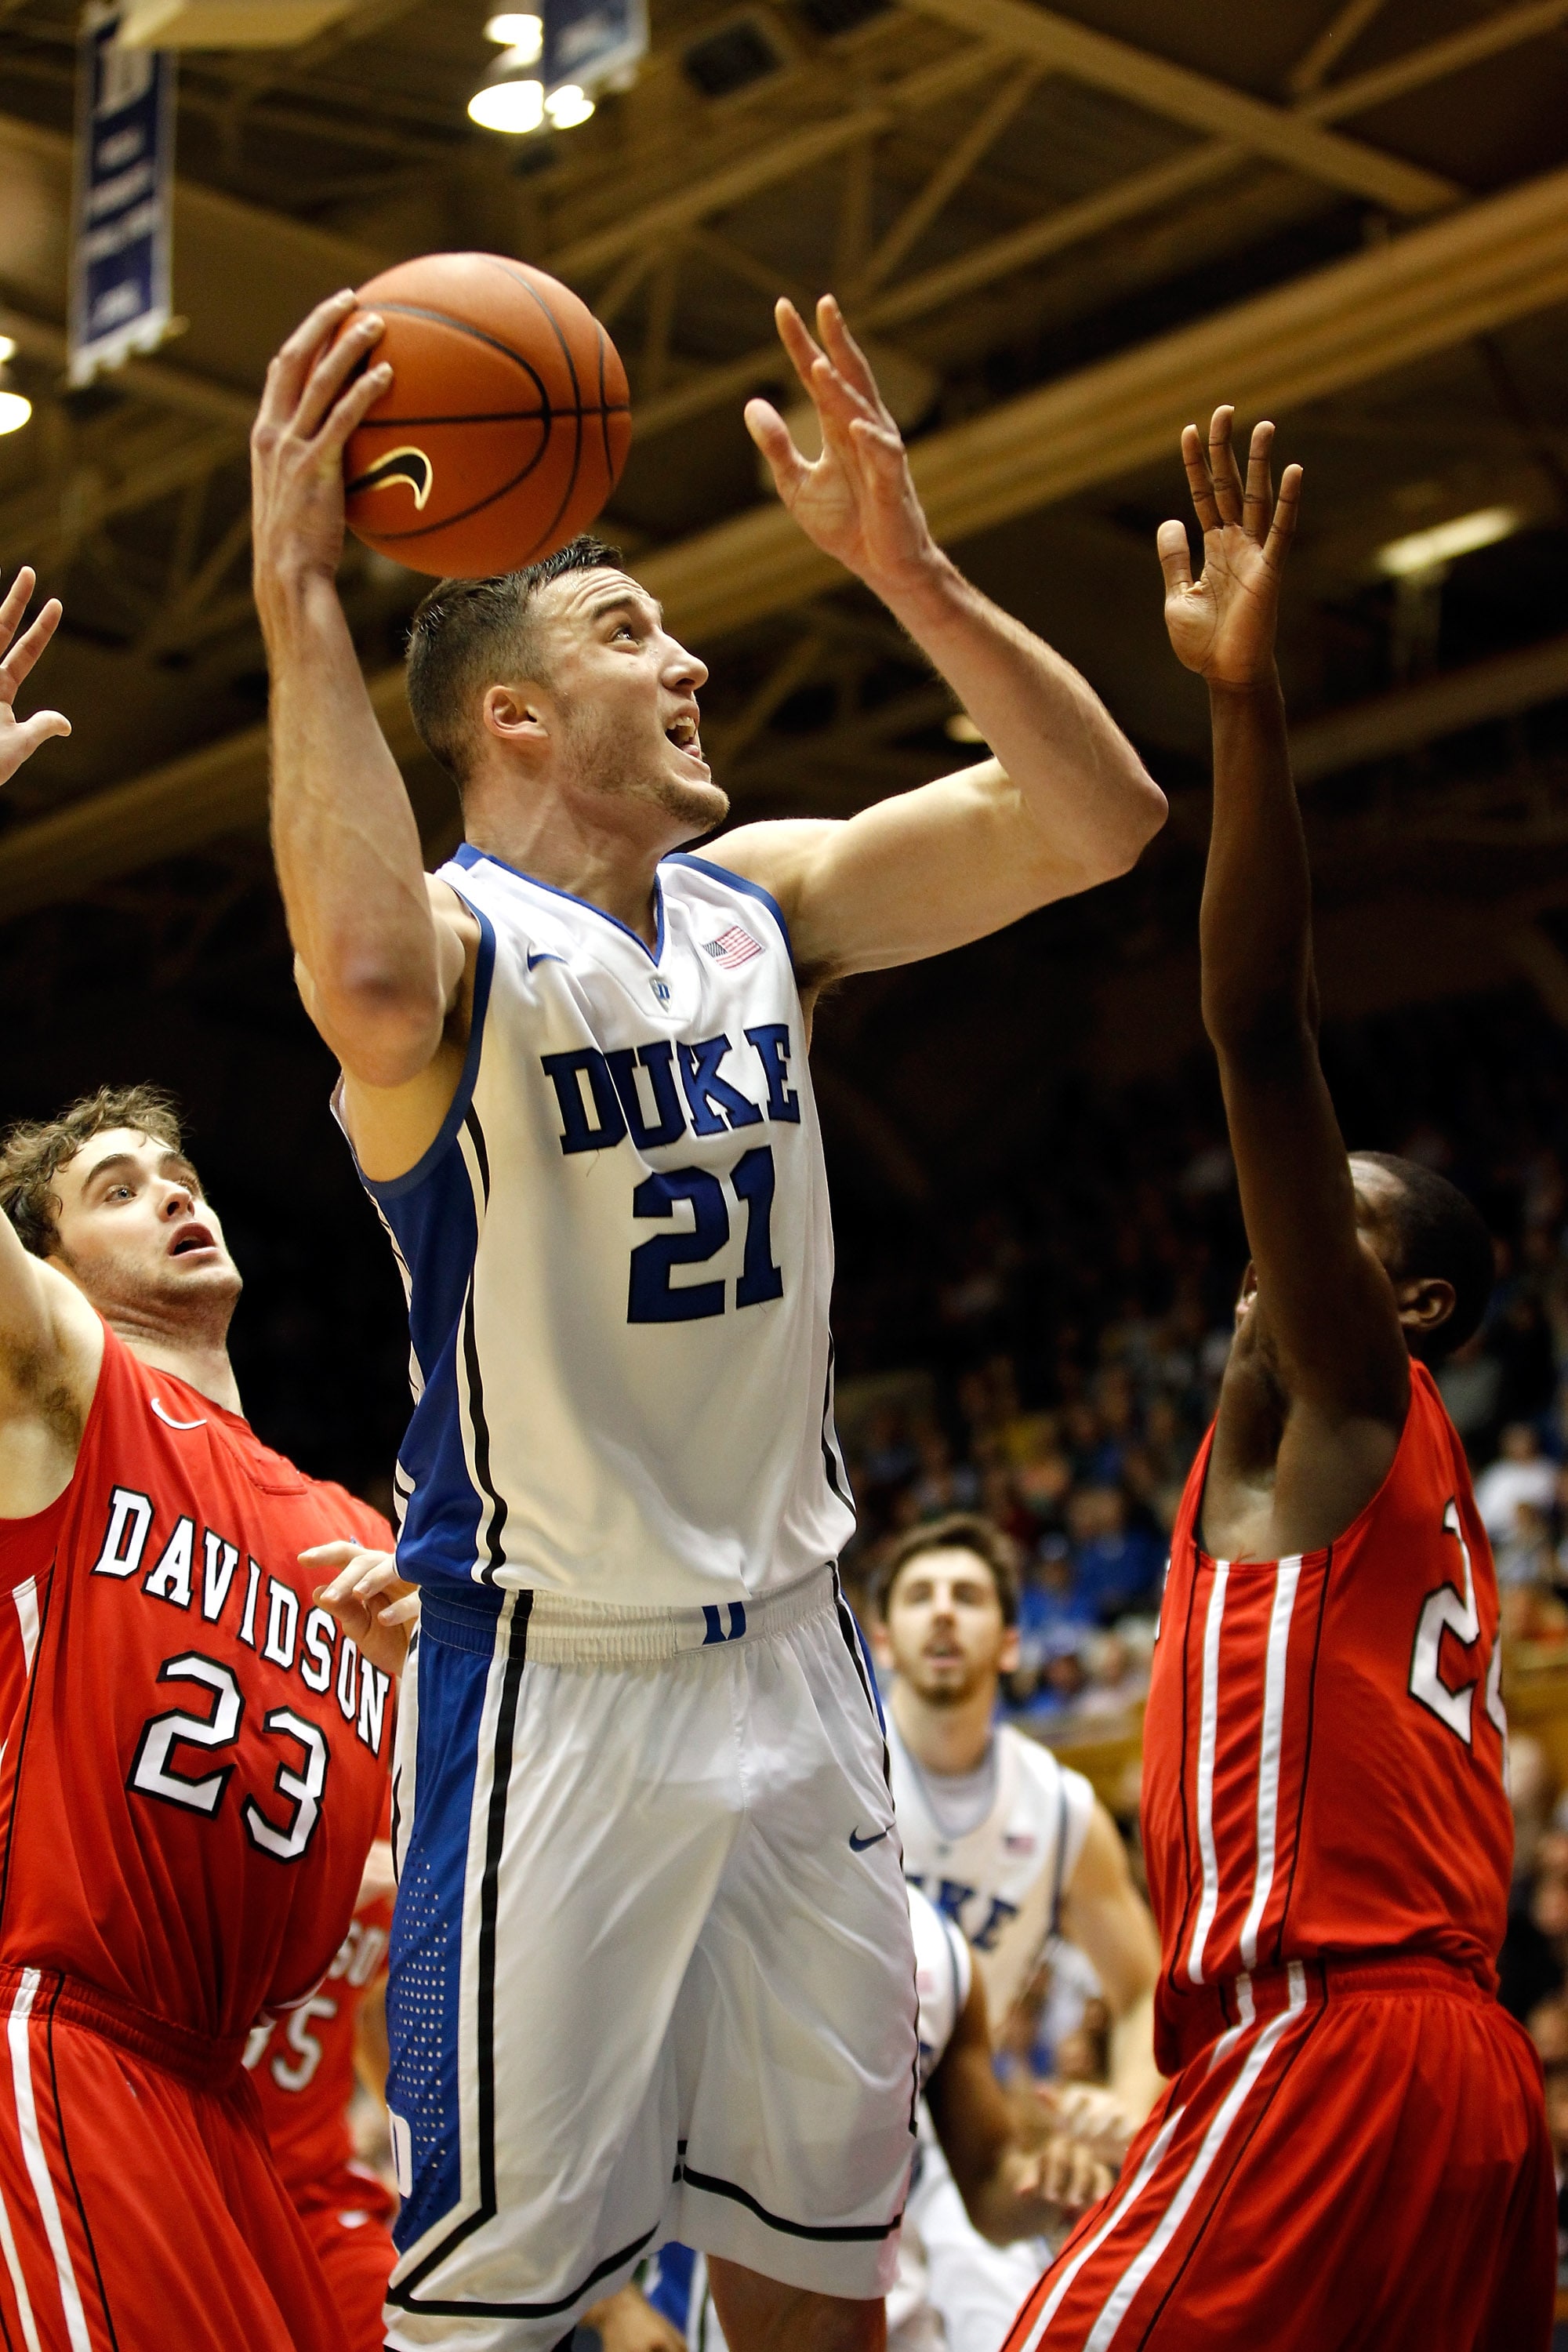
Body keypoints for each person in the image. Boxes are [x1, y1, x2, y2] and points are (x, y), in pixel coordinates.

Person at [249, 283, 1167, 2352]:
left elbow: (1101, 824)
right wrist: (301, 597)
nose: (691, 662)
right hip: (562, 1692)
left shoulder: (770, 907)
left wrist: (907, 567)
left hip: (800, 1676)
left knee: (817, 2277)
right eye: (631, 639)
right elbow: (369, 986)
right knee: (491, 2313)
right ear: (508, 718)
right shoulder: (465, 957)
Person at [1004, 413, 1554, 2352]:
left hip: (1326, 2039)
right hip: (1452, 2072)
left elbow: (1250, 1026)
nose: (1277, 1223)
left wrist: (1240, 704)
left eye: (1333, 1210)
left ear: (1401, 1300)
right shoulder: (1389, 1493)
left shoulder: (1344, 1401)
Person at [0, 564, 397, 2351]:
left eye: (178, 1169)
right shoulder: (62, 1394)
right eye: (112, 1188)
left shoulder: (346, 1527)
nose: (171, 1188)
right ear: (51, 1267)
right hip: (69, 2037)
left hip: (244, 2108)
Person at [643, 1883, 1113, 2352]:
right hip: (709, 2309)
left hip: (879, 2307)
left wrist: (1049, 2183)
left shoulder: (938, 1948)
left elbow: (990, 2180)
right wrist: (615, 2306)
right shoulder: (711, 1902)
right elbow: (585, 2116)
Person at [874, 1515, 1163, 2127]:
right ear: (882, 1642)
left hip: (958, 2138)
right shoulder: (833, 1774)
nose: (944, 1612)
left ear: (1011, 1642)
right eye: (921, 1596)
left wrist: (1128, 2104)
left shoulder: (1062, 1808)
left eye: (968, 1597)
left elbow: (1143, 1993)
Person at [249, 1794, 400, 2352]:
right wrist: (322, 1892)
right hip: (180, 2171)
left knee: (420, 2331)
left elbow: (374, 2018)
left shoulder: (406, 1789)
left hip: (313, 2195)